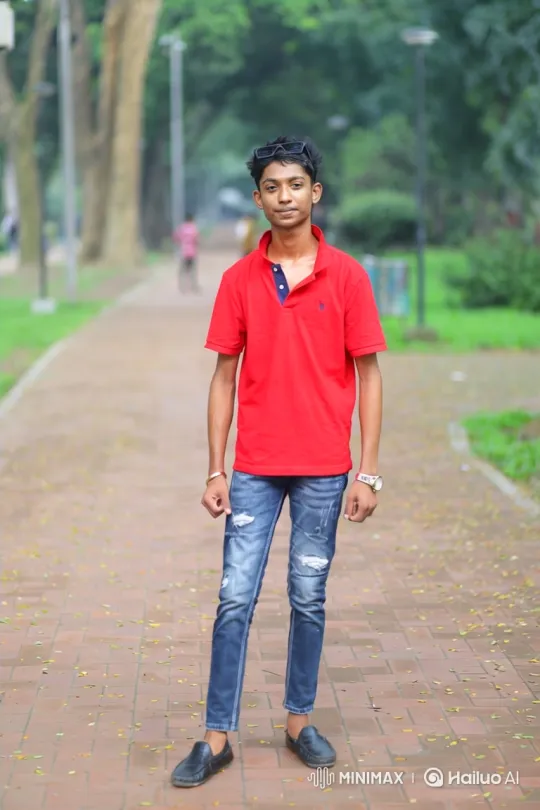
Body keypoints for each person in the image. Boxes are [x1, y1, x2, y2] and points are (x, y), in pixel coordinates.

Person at [171, 136, 387, 788]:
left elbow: (369, 375)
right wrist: (216, 467)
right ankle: (217, 736)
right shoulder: (240, 281)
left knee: (307, 597)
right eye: (272, 186)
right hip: (256, 468)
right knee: (234, 597)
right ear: (260, 197)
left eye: (296, 184)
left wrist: (367, 471)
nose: (285, 195)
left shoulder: (346, 275)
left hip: (324, 468)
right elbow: (222, 376)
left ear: (315, 192)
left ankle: (299, 721)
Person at [173, 213, 200, 292]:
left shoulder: (181, 228)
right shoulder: (194, 228)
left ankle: (182, 287)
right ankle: (193, 286)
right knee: (192, 270)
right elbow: (197, 240)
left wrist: (181, 243)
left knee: (182, 271)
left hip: (183, 252)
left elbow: (175, 238)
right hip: (192, 252)